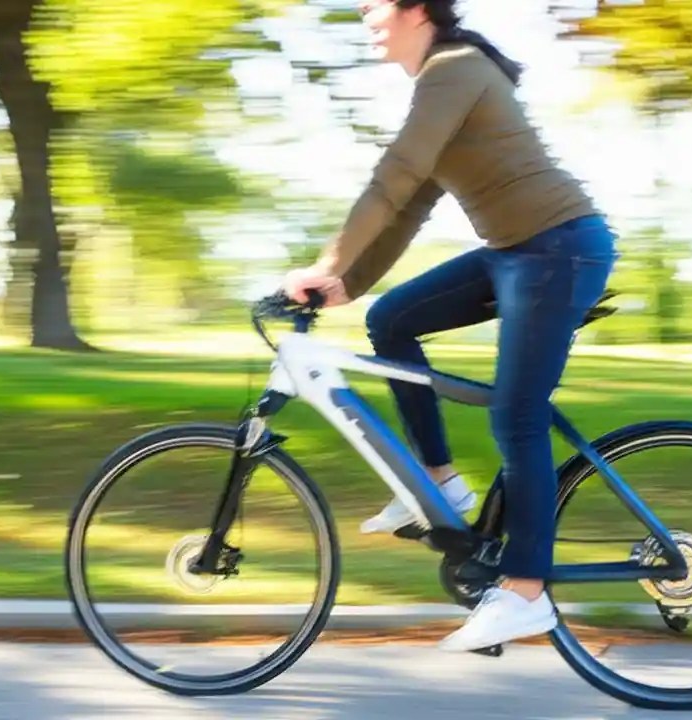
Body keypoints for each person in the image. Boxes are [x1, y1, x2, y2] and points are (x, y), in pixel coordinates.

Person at [282, 0, 616, 651]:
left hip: (557, 249)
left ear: (415, 10)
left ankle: (525, 592)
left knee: (517, 415)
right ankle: (439, 481)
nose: (365, 15)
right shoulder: (444, 82)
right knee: (391, 319)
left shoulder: (455, 69)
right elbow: (409, 204)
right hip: (518, 253)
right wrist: (347, 284)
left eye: (375, 5)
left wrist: (328, 259)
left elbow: (395, 174)